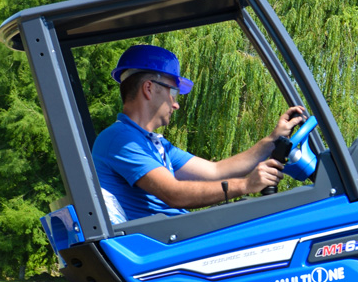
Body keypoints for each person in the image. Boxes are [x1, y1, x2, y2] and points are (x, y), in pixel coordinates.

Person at [92, 44, 308, 222]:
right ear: (149, 88)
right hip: (161, 250)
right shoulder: (121, 140)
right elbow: (173, 194)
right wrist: (245, 185)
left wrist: (272, 139)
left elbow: (216, 171)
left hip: (172, 239)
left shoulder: (153, 143)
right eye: (173, 92)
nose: (175, 104)